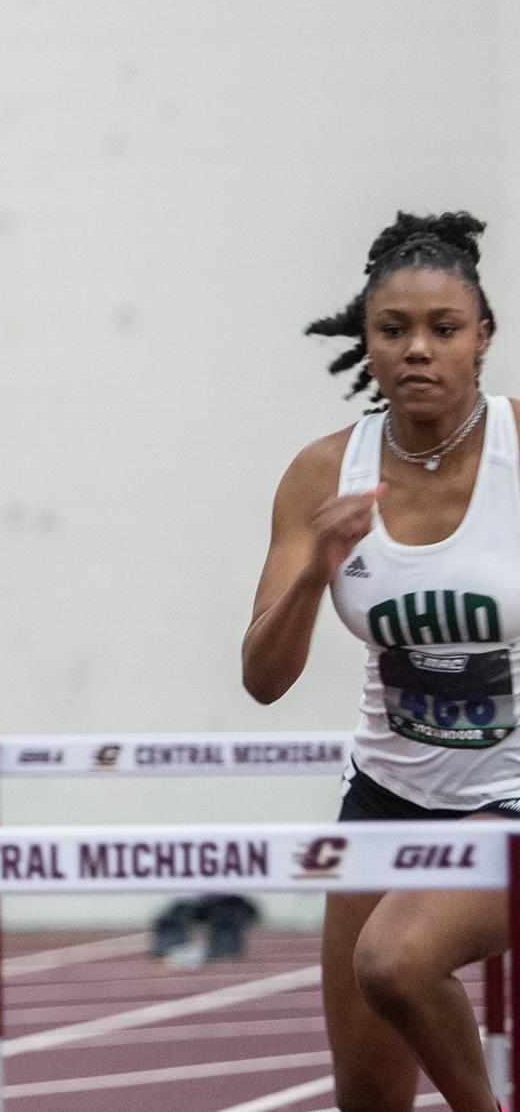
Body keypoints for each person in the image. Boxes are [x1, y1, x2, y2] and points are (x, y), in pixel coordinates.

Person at [244, 212, 512, 1112]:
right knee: (367, 1098)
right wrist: (318, 573)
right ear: (367, 339)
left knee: (396, 961)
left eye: (444, 328)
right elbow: (262, 677)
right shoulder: (326, 474)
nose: (418, 350)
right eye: (393, 330)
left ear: (484, 337)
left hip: (513, 802)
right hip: (386, 801)